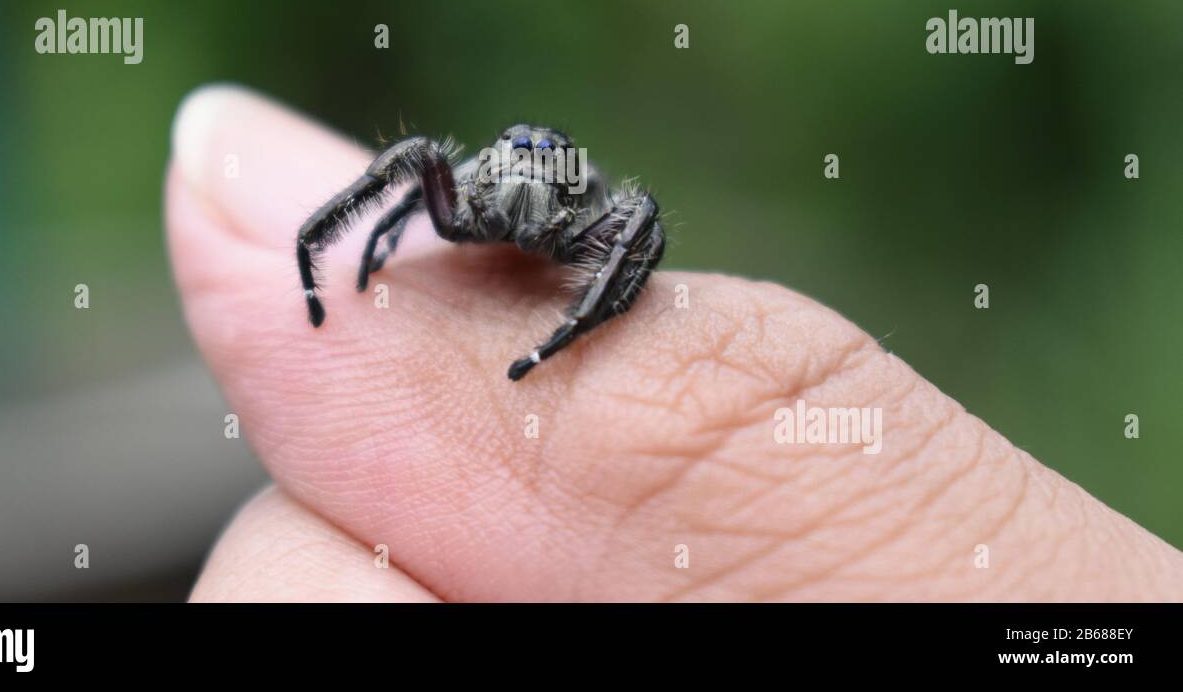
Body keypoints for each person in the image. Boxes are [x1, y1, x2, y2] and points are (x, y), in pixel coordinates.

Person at [167, 85, 1183, 601]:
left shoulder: (589, 206)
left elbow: (632, 220)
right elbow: (407, 174)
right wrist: (340, 246)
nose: (519, 191)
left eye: (542, 176)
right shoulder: (458, 182)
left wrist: (567, 335)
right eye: (502, 176)